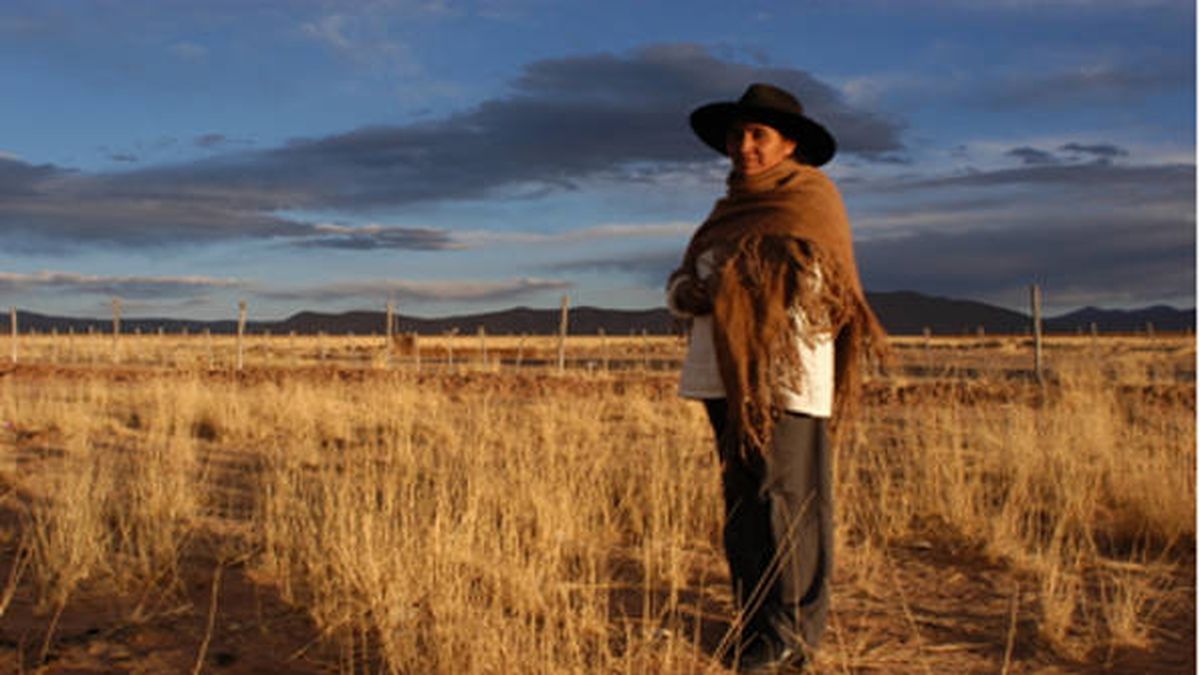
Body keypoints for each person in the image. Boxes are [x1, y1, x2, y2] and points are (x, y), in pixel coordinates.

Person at [666, 83, 886, 672]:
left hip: (787, 373)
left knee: (787, 498)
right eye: (737, 136)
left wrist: (731, 284)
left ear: (789, 144)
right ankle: (755, 624)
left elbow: (824, 284)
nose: (744, 146)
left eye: (758, 135)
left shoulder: (811, 199)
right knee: (742, 500)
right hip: (724, 374)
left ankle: (791, 636)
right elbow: (686, 278)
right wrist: (693, 290)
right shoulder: (726, 210)